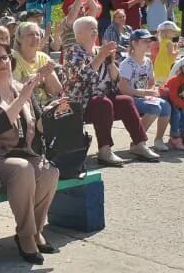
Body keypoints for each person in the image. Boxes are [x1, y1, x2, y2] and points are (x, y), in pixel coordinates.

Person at [0, 40, 60, 264]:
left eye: (6, 57)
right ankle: (25, 236)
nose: (3, 62)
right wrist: (23, 97)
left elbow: (38, 127)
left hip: (21, 154)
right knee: (23, 169)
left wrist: (55, 112)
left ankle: (36, 230)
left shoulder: (19, 88)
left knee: (49, 171)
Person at [62, 16, 160, 166]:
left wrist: (111, 61)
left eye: (96, 27)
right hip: (80, 103)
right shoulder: (73, 52)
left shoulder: (99, 51)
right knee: (103, 103)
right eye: (90, 28)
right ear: (79, 33)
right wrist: (101, 56)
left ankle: (139, 144)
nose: (95, 30)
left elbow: (115, 81)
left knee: (126, 101)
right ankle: (104, 150)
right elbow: (80, 80)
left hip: (103, 98)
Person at [118, 29, 169, 150]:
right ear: (134, 43)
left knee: (166, 105)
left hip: (144, 96)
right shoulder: (127, 63)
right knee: (154, 107)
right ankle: (137, 141)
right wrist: (144, 93)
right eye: (145, 41)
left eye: (149, 41)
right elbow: (123, 88)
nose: (149, 43)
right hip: (131, 98)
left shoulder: (148, 61)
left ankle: (158, 139)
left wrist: (150, 92)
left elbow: (151, 82)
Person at [12, 22, 63, 107]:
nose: (35, 37)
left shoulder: (43, 57)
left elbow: (58, 90)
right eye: (30, 34)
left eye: (38, 34)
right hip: (24, 106)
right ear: (19, 38)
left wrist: (47, 75)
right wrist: (39, 75)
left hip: (47, 104)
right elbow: (16, 88)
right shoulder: (13, 58)